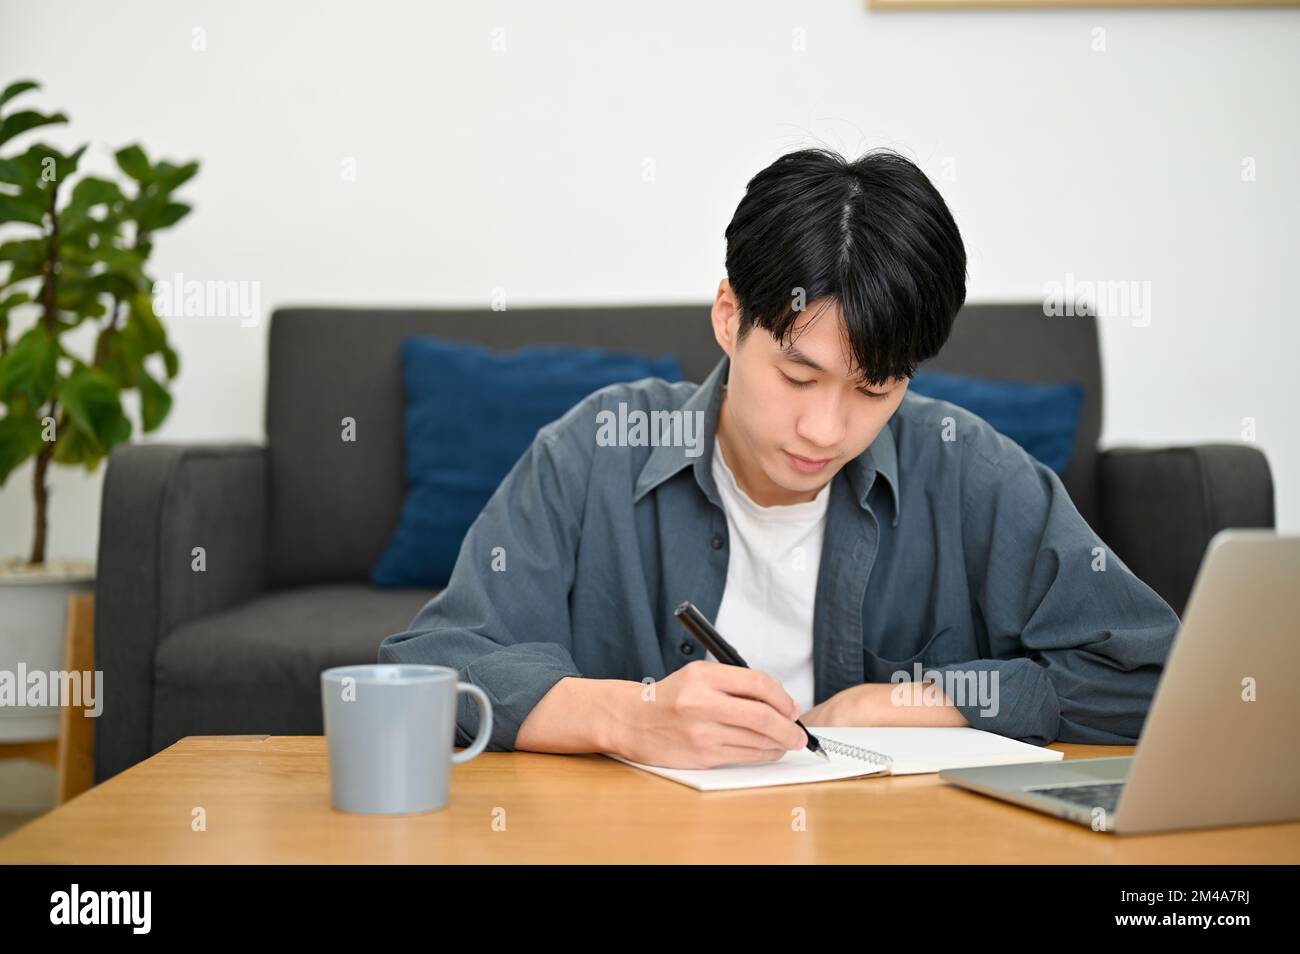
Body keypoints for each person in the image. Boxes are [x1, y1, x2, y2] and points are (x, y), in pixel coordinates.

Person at [379, 148, 1178, 769]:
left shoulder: (968, 468)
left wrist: (931, 702)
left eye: (875, 389)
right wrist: (630, 716)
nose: (826, 429)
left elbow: (1161, 678)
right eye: (799, 375)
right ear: (729, 316)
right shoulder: (598, 449)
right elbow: (435, 664)